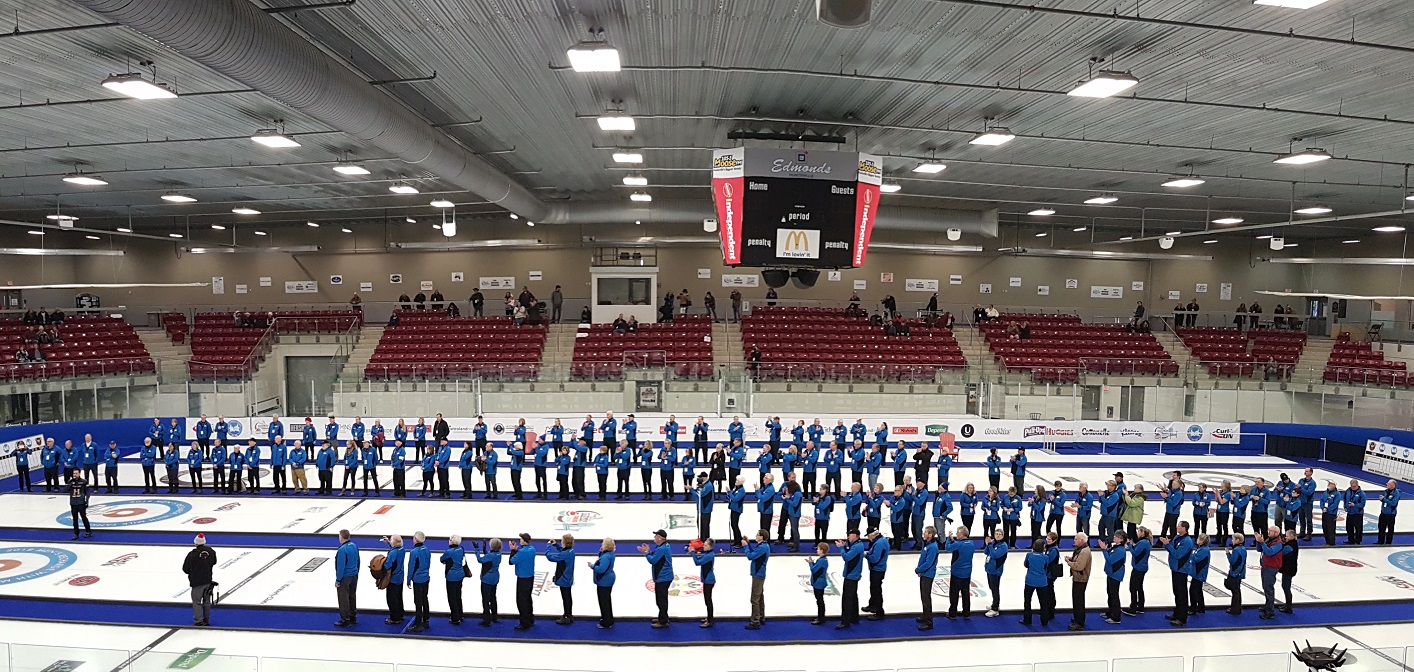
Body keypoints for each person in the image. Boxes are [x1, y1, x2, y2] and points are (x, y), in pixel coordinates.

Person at [1160, 521, 1193, 626]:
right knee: (1177, 592)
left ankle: (1182, 618)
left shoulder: (1187, 541)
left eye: (1179, 526)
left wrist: (1167, 545)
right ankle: (1177, 613)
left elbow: (1177, 554)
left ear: (1184, 528)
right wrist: (1167, 544)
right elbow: (1171, 549)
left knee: (1181, 594)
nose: (1177, 527)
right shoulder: (1178, 537)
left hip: (1181, 570)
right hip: (1175, 568)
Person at [641, 530, 674, 628]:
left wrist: (646, 552)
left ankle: (663, 621)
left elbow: (653, 560)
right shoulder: (664, 546)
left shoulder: (661, 548)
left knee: (661, 600)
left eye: (655, 536)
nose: (654, 538)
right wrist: (649, 551)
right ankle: (663, 617)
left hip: (663, 577)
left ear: (660, 538)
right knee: (661, 599)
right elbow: (656, 556)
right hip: (664, 576)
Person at [183, 534, 218, 627]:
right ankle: (206, 619)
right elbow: (214, 562)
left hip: (196, 582)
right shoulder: (211, 551)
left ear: (195, 543)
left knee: (197, 602)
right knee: (207, 601)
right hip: (208, 580)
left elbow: (185, 568)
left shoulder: (192, 554)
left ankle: (198, 620)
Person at [943, 526, 976, 619]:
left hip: (956, 572)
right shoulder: (971, 543)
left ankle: (952, 613)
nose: (956, 534)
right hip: (967, 572)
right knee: (966, 593)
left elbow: (948, 548)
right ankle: (966, 613)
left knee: (954, 593)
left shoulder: (958, 544)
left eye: (957, 532)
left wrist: (949, 539)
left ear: (962, 534)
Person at [545, 534, 576, 625]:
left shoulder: (565, 554)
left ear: (565, 543)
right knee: (568, 597)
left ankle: (567, 616)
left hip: (563, 578)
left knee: (565, 598)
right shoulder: (571, 551)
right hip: (568, 577)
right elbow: (563, 551)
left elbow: (550, 557)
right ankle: (569, 614)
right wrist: (556, 545)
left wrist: (548, 547)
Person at [508, 533, 537, 630]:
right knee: (528, 598)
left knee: (521, 601)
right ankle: (530, 619)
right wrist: (517, 551)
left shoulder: (522, 552)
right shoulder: (532, 549)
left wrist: (513, 551)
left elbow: (511, 561)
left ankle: (524, 623)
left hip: (522, 578)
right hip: (530, 577)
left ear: (524, 540)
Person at [744, 529, 771, 630]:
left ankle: (755, 621)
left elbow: (750, 556)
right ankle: (761, 616)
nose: (755, 536)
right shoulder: (763, 546)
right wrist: (748, 544)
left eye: (757, 535)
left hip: (758, 574)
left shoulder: (763, 547)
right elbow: (755, 553)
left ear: (761, 537)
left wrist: (745, 546)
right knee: (760, 596)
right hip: (759, 573)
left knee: (754, 598)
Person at [1020, 539, 1051, 626]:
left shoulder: (1029, 555)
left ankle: (1027, 620)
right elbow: (1046, 567)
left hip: (1030, 581)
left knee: (1027, 601)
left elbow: (1026, 565)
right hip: (1042, 582)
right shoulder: (1046, 557)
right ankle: (1044, 621)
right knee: (1043, 602)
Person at [1097, 531, 1126, 624]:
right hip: (1111, 573)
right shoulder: (1116, 547)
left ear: (1121, 539)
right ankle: (1110, 612)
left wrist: (1104, 550)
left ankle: (1116, 617)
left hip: (1115, 575)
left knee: (1114, 595)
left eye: (1116, 537)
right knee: (1110, 593)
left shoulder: (1120, 550)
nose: (1114, 537)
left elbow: (1110, 560)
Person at [1065, 532, 1092, 630]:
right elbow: (1078, 560)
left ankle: (1080, 622)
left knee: (1079, 600)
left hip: (1081, 578)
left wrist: (1069, 562)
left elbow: (1079, 566)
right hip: (1078, 577)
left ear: (1081, 540)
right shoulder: (1080, 549)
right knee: (1076, 599)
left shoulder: (1084, 551)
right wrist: (1072, 559)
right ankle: (1077, 618)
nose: (1074, 540)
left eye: (1076, 539)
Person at [1255, 526, 1284, 619]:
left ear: (1276, 533)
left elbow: (1269, 552)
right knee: (1266, 587)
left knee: (1269, 589)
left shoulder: (1278, 543)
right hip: (1265, 566)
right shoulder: (1270, 540)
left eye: (1270, 531)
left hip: (1271, 568)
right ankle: (1267, 606)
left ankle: (1270, 611)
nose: (1268, 532)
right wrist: (1259, 542)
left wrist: (1262, 542)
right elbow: (1259, 549)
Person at [1123, 526, 1151, 616]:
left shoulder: (1143, 543)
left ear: (1142, 533)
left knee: (1133, 587)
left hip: (1139, 568)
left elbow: (1135, 553)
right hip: (1141, 567)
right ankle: (1140, 606)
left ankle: (1133, 608)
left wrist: (1130, 546)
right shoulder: (1145, 542)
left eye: (1138, 531)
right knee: (1139, 587)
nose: (1137, 533)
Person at [406, 531, 432, 632]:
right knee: (425, 598)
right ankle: (426, 620)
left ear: (416, 539)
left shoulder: (414, 552)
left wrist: (408, 579)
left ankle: (418, 624)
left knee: (418, 602)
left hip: (418, 579)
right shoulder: (427, 550)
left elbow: (411, 567)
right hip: (426, 577)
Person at [334, 529, 359, 627]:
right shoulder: (354, 546)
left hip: (345, 577)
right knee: (352, 596)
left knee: (343, 598)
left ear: (341, 537)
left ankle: (345, 620)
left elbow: (341, 566)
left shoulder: (342, 550)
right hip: (354, 575)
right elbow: (358, 560)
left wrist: (338, 580)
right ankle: (353, 616)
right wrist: (356, 571)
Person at [473, 537, 501, 626]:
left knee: (485, 599)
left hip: (487, 579)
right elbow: (488, 558)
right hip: (495, 577)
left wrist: (477, 550)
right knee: (493, 597)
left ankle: (486, 619)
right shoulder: (498, 554)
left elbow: (480, 560)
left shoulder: (490, 556)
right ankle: (494, 616)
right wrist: (484, 550)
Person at [379, 535, 406, 626]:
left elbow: (388, 564)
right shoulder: (402, 550)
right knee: (399, 597)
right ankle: (400, 613)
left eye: (391, 540)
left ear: (394, 542)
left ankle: (394, 618)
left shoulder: (393, 553)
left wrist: (380, 566)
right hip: (400, 577)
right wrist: (389, 543)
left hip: (393, 578)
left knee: (391, 599)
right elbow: (395, 550)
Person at [441, 535, 468, 625]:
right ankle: (460, 614)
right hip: (460, 575)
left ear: (452, 541)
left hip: (451, 577)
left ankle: (455, 618)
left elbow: (442, 559)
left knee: (452, 597)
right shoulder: (461, 549)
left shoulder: (449, 551)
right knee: (458, 596)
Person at [590, 538, 616, 628]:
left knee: (603, 602)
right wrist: (601, 552)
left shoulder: (605, 557)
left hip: (604, 581)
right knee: (607, 600)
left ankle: (606, 622)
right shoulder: (610, 554)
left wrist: (592, 566)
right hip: (608, 579)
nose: (601, 545)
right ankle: (609, 618)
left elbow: (601, 569)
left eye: (603, 544)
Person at [692, 539, 717, 628]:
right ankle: (709, 617)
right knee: (707, 600)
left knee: (708, 600)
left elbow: (698, 562)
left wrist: (693, 553)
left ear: (710, 547)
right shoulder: (707, 554)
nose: (703, 546)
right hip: (707, 579)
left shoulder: (709, 555)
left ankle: (710, 620)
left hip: (708, 580)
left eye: (705, 545)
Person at [807, 543, 830, 625]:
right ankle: (820, 616)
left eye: (818, 549)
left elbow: (814, 570)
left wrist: (810, 563)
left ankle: (821, 618)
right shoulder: (823, 560)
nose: (817, 550)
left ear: (822, 551)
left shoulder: (821, 561)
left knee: (819, 600)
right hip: (819, 582)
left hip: (818, 583)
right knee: (819, 600)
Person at [1224, 534, 1247, 615]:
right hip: (1240, 572)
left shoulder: (1236, 550)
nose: (1232, 541)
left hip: (1235, 573)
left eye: (1233, 539)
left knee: (1235, 592)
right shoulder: (1243, 548)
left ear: (1237, 540)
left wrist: (1228, 554)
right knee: (1237, 591)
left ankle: (1235, 609)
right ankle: (1237, 607)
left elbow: (1232, 562)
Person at [67, 468, 92, 540]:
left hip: (81, 502)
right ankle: (76, 533)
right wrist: (70, 483)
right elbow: (65, 490)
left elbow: (87, 492)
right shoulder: (70, 481)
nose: (75, 475)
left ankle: (88, 531)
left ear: (79, 473)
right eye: (74, 473)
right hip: (73, 502)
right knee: (75, 519)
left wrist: (87, 501)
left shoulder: (84, 481)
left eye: (76, 473)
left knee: (84, 517)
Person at [1378, 479, 1400, 545]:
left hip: (1391, 514)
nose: (1387, 485)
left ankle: (1388, 542)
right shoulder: (1386, 491)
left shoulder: (1396, 494)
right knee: (1381, 527)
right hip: (1383, 512)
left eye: (1388, 484)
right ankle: (1380, 541)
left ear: (1393, 485)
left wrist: (1384, 500)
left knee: (1390, 529)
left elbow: (1393, 503)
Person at [1344, 479, 1366, 544]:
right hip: (1350, 512)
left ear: (1357, 485)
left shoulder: (1362, 493)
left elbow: (1362, 504)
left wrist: (1355, 505)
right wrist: (1345, 506)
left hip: (1358, 513)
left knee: (1358, 528)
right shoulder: (1348, 491)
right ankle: (1350, 539)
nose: (1353, 488)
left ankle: (1358, 541)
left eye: (1354, 486)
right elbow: (1345, 499)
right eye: (1352, 486)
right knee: (1349, 527)